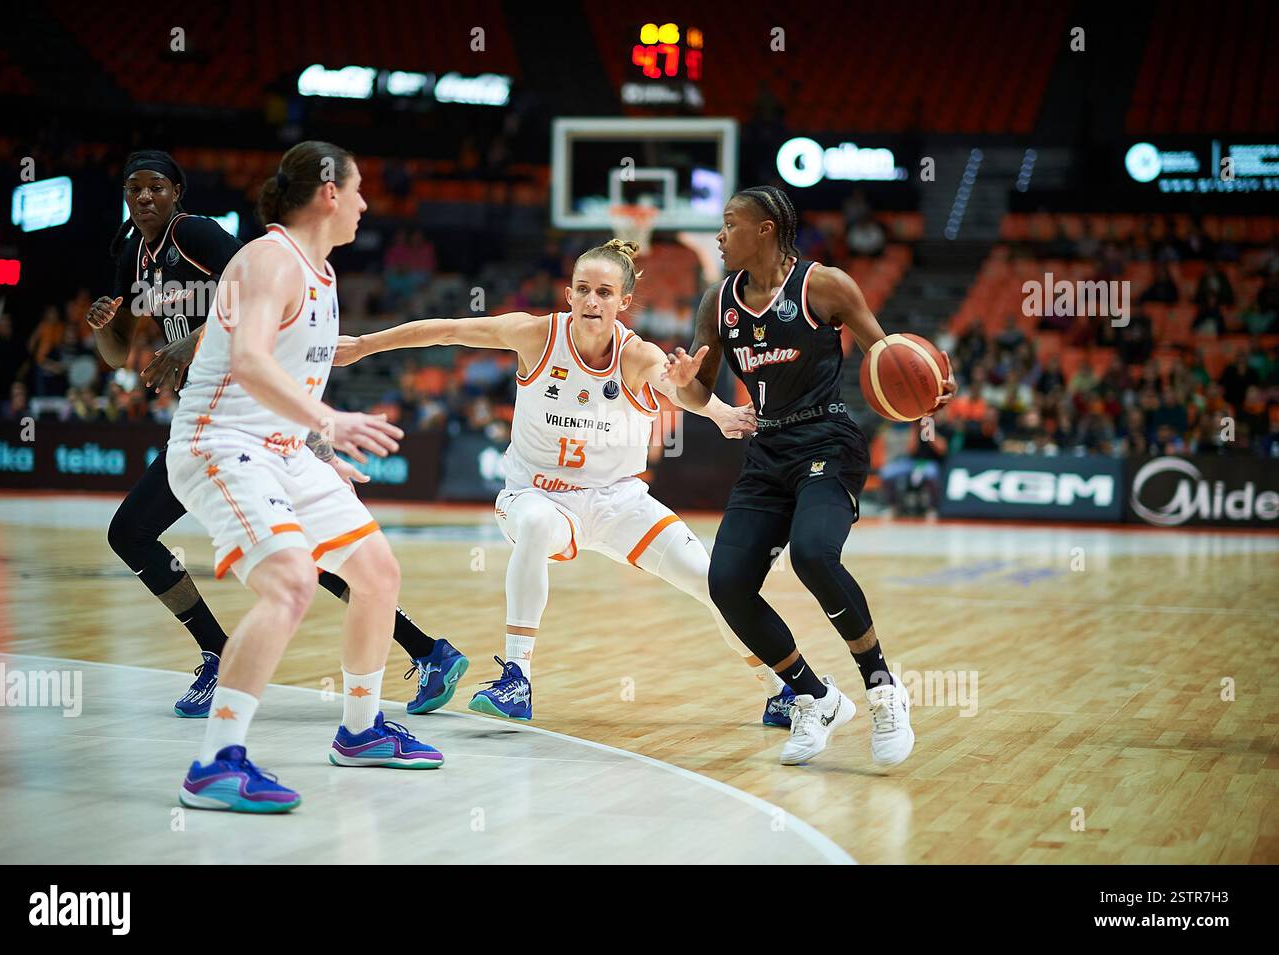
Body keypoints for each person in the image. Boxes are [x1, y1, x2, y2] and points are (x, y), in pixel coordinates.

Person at [335, 240, 808, 726]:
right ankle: (516, 678)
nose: (591, 301)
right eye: (582, 289)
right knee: (536, 523)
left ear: (623, 301)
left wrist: (719, 410)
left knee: (716, 585)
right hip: (537, 495)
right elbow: (448, 330)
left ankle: (778, 691)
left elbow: (676, 388)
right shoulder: (536, 335)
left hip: (618, 502)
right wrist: (365, 344)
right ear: (568, 294)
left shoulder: (637, 355)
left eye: (604, 292)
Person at [87, 150, 460, 719]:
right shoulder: (134, 255)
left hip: (245, 416)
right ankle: (421, 654)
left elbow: (249, 289)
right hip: (231, 419)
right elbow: (117, 354)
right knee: (281, 551)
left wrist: (194, 343)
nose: (144, 197)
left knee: (294, 557)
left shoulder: (197, 235)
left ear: (177, 192)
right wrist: (103, 326)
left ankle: (228, 666)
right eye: (133, 187)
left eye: (156, 187)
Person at [168, 141, 442, 814]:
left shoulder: (323, 273)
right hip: (220, 443)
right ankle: (215, 762)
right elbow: (251, 362)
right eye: (358, 189)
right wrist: (329, 422)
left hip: (284, 448)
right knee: (291, 581)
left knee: (376, 571)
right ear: (328, 192)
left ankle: (360, 730)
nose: (365, 203)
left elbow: (289, 383)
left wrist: (314, 446)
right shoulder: (268, 259)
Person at [663, 185, 956, 766]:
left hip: (828, 441)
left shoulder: (824, 286)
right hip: (767, 450)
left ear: (765, 229)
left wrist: (927, 389)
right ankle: (814, 697)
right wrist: (684, 383)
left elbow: (889, 357)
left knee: (814, 556)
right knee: (727, 585)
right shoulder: (717, 303)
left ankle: (882, 688)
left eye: (729, 224)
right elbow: (698, 392)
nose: (719, 236)